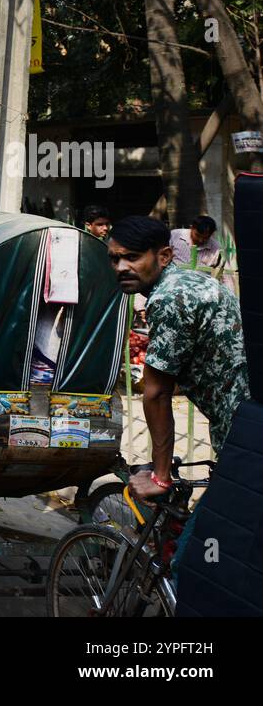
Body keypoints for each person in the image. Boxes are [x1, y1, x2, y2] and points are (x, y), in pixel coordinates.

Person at [108, 217, 249, 510]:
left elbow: (157, 393)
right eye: (115, 259)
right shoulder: (191, 280)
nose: (121, 268)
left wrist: (160, 478)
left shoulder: (169, 297)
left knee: (223, 529)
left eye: (132, 257)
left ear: (164, 256)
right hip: (245, 418)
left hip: (243, 428)